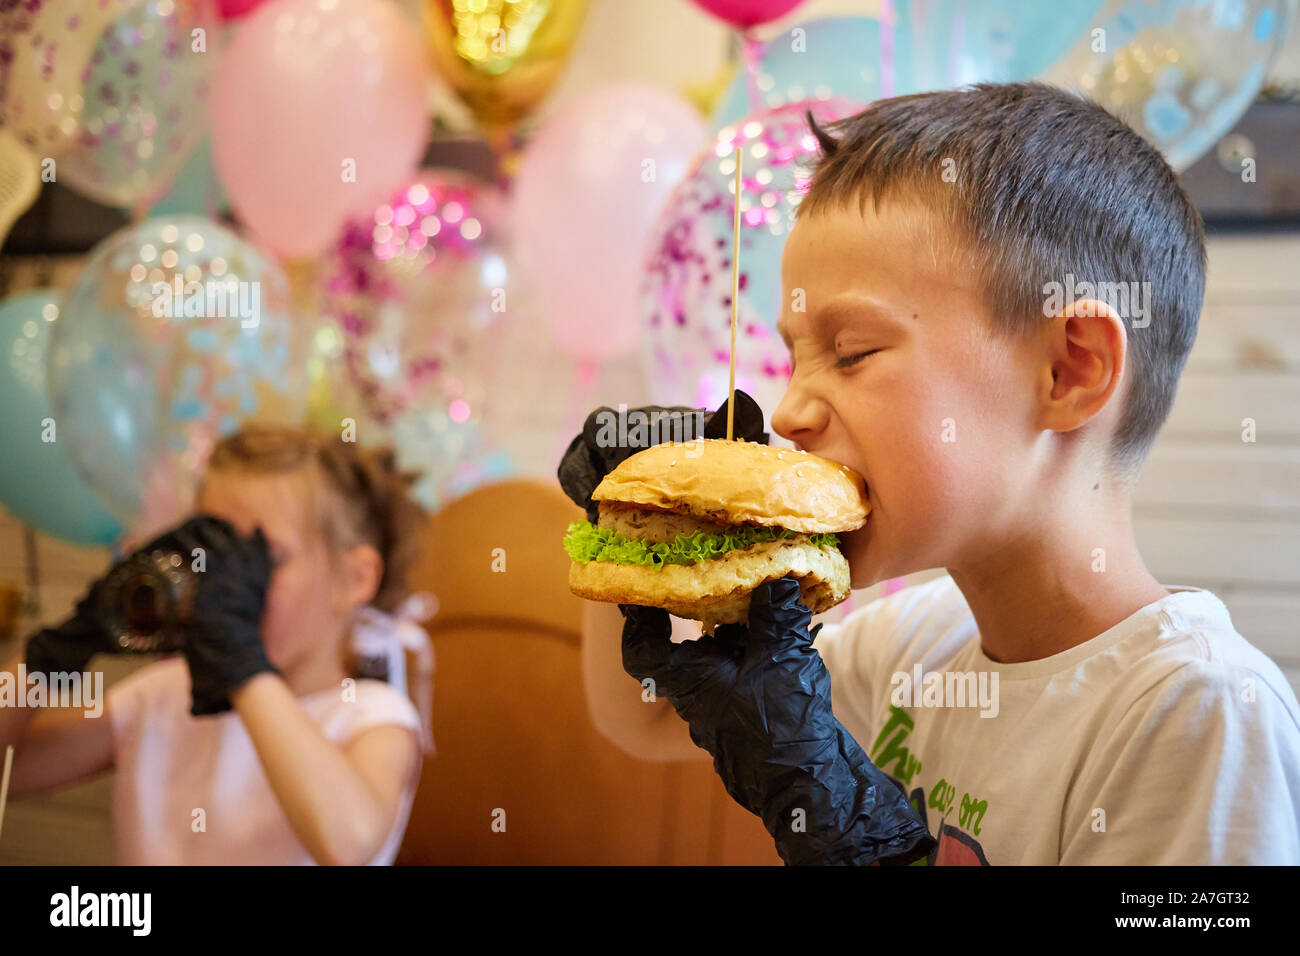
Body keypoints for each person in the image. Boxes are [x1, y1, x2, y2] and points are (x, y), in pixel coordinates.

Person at [573, 82, 1300, 865]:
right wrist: (631, 539)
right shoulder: (912, 643)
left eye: (851, 352)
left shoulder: (1197, 712)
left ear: (1068, 370)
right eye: (792, 358)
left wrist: (867, 848)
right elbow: (646, 719)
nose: (785, 414)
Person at [1, 424, 434, 865]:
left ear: (355, 579)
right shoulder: (164, 695)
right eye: (213, 552)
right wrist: (52, 655)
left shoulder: (371, 715)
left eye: (263, 557)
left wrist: (241, 662)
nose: (225, 584)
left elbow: (349, 841)